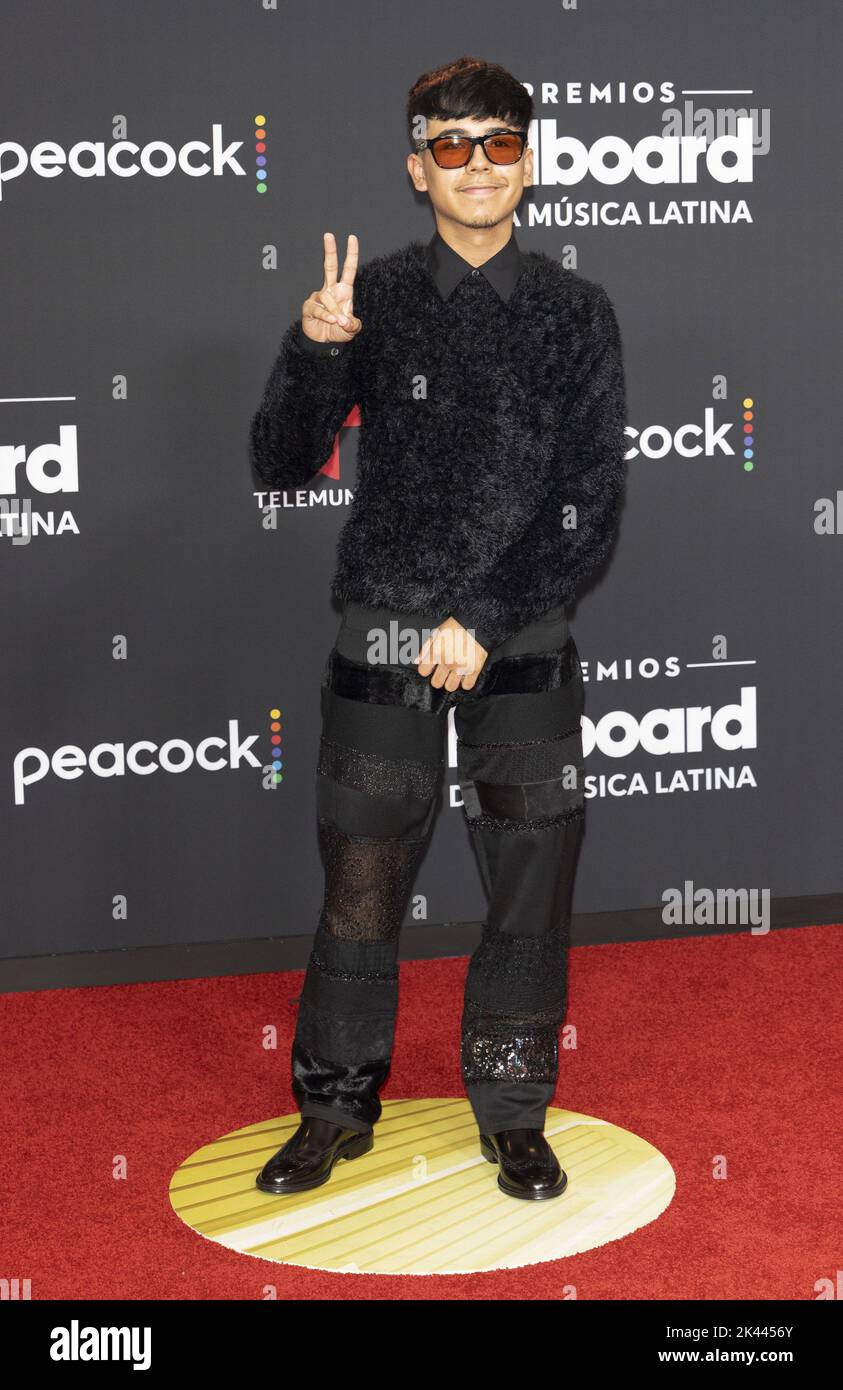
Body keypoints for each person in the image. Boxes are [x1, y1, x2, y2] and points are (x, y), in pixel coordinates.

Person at [249, 55, 627, 1200]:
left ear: (532, 159)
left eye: (498, 142)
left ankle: (513, 1112)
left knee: (529, 882)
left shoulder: (576, 312)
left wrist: (486, 615)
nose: (476, 165)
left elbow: (592, 504)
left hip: (520, 644)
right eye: (450, 145)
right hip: (383, 642)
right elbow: (278, 462)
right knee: (361, 881)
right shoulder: (372, 296)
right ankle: (332, 1106)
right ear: (419, 168)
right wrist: (316, 350)